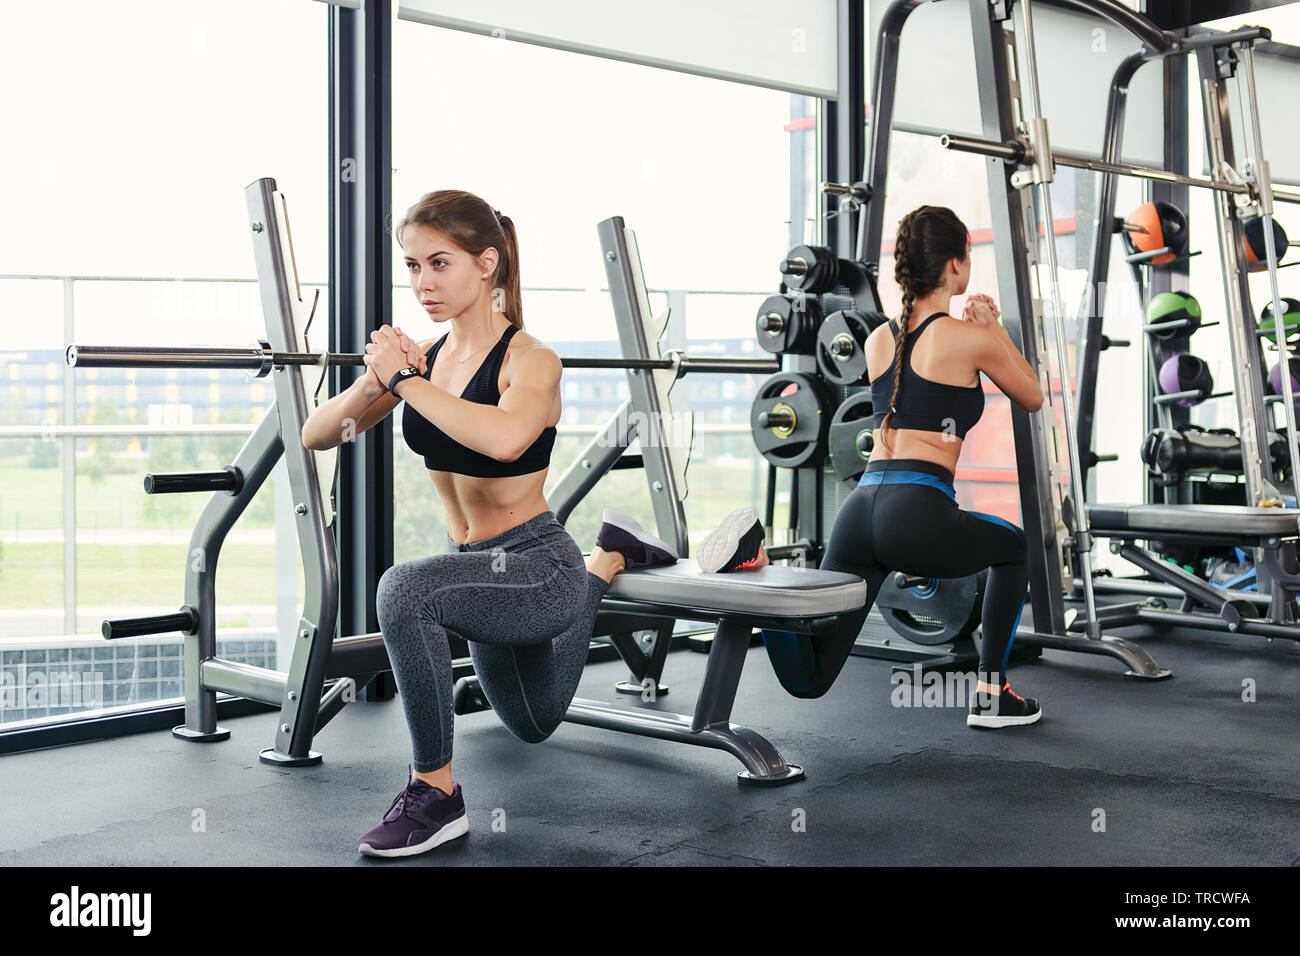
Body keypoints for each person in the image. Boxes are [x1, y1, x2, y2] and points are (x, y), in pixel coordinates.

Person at [301, 190, 676, 858]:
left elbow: (504, 440)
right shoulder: (430, 356)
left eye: (438, 263)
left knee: (403, 589)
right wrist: (375, 380)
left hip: (533, 567)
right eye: (412, 266)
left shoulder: (532, 360)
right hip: (479, 569)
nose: (421, 283)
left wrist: (407, 383)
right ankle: (609, 559)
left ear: (486, 264)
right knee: (533, 723)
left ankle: (436, 796)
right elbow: (319, 433)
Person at [763, 205, 1046, 727]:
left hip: (860, 509)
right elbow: (1032, 395)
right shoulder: (969, 337)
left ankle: (768, 600)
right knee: (1014, 549)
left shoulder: (876, 340)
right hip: (916, 512)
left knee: (812, 680)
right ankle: (992, 695)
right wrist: (996, 329)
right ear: (956, 266)